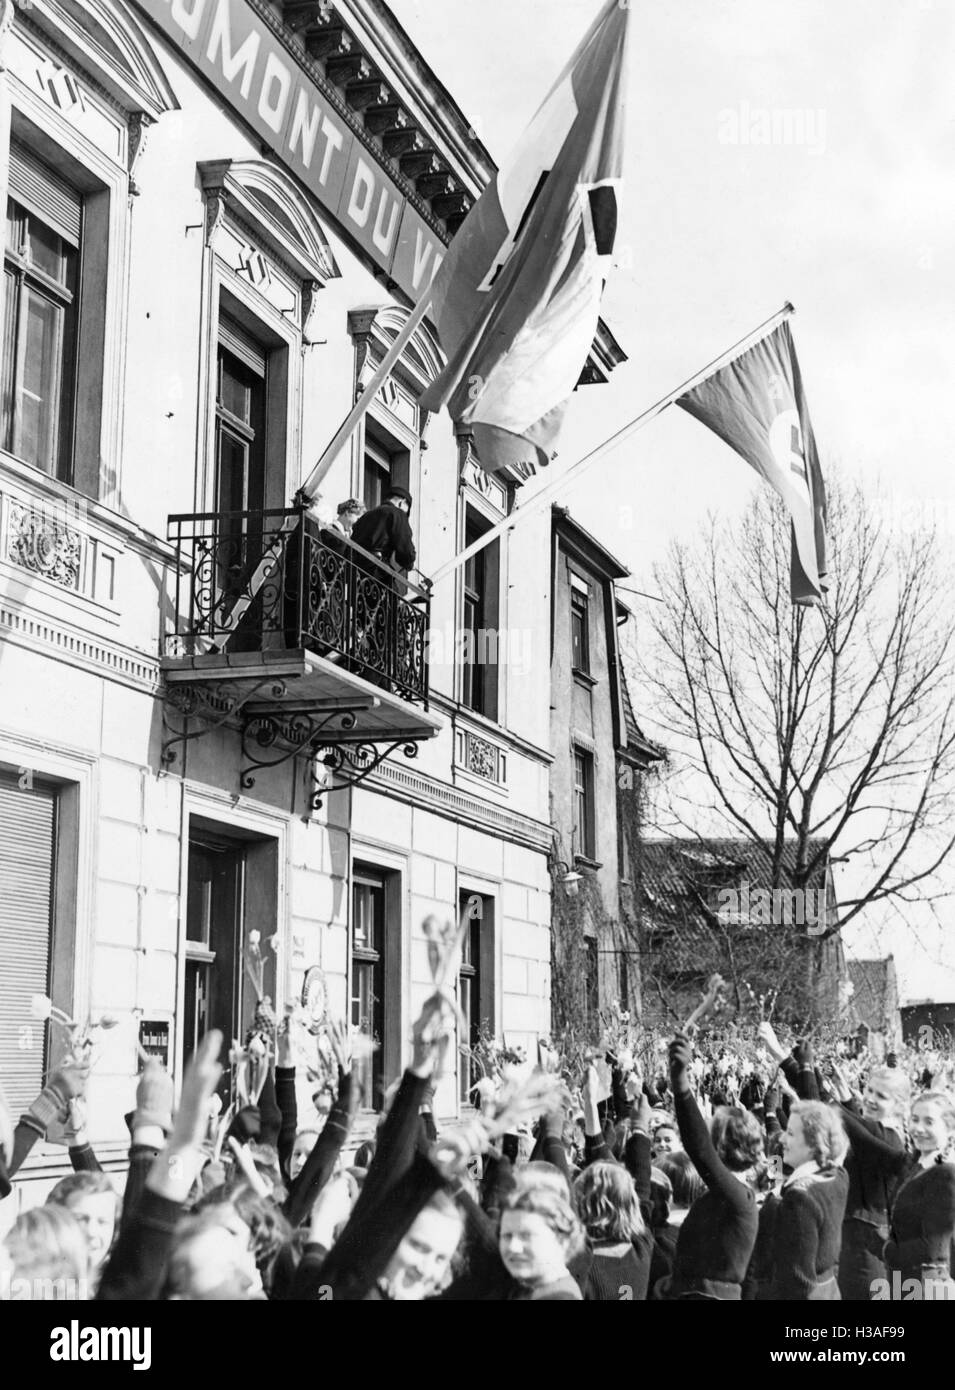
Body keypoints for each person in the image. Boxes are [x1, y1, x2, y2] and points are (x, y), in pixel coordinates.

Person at [660, 1034, 761, 1300]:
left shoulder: (741, 1199)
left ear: (720, 1147)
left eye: (710, 1129)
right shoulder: (727, 1196)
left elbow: (699, 1150)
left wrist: (681, 1084)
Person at [759, 1101, 849, 1300]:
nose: (782, 1138)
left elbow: (798, 1281)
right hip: (829, 1290)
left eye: (790, 1133)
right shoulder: (839, 1175)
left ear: (813, 1144)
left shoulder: (798, 1200)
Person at [883, 1090, 955, 1297]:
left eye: (929, 1122)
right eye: (914, 1119)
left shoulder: (946, 1174)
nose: (918, 1128)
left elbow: (933, 1249)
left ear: (950, 1129)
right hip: (905, 1278)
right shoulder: (920, 1164)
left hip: (925, 1285)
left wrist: (887, 1249)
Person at [350, 487, 416, 577]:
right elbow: (405, 550)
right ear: (401, 503)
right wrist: (409, 563)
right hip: (376, 572)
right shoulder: (397, 513)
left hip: (355, 574)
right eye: (406, 512)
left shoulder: (366, 516)